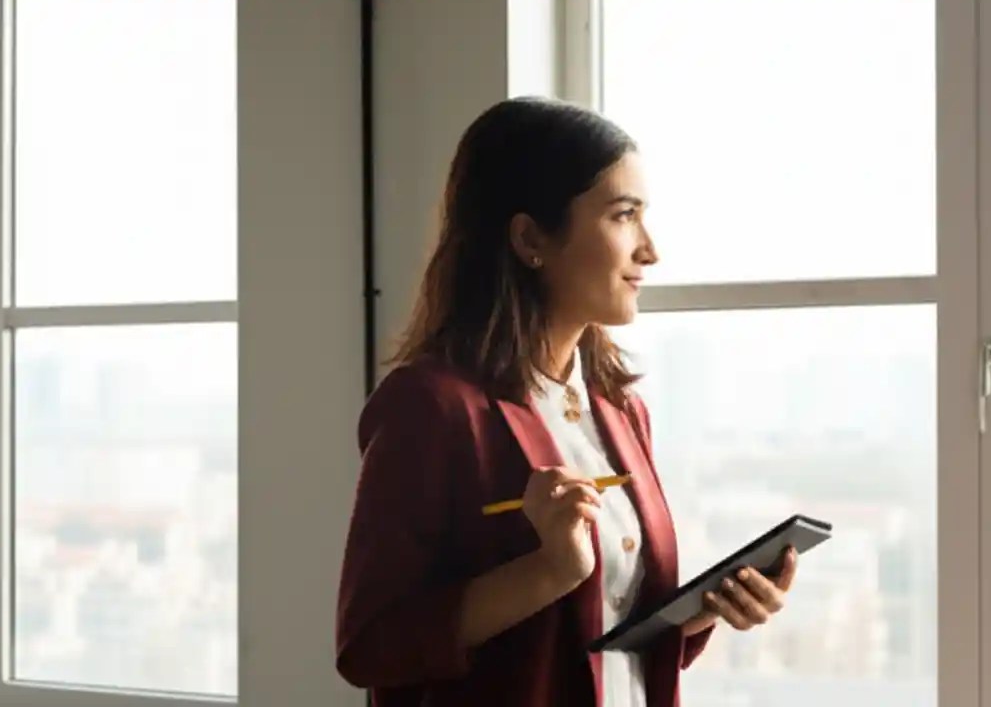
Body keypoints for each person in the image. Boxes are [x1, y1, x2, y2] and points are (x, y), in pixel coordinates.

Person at [335, 96, 799, 706]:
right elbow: (370, 644)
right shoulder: (430, 407)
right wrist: (548, 571)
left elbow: (605, 640)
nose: (649, 250)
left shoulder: (620, 410)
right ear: (531, 237)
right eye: (623, 216)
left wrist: (707, 609)